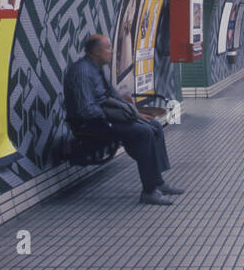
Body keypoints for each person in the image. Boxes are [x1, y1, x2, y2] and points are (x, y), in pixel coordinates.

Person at [64, 33, 184, 205]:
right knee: (143, 133)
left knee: (154, 125)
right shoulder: (82, 72)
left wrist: (135, 114)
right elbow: (86, 110)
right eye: (108, 48)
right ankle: (149, 191)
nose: (112, 51)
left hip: (107, 119)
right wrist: (118, 120)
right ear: (96, 52)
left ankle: (158, 182)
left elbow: (113, 95)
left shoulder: (96, 68)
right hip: (91, 124)